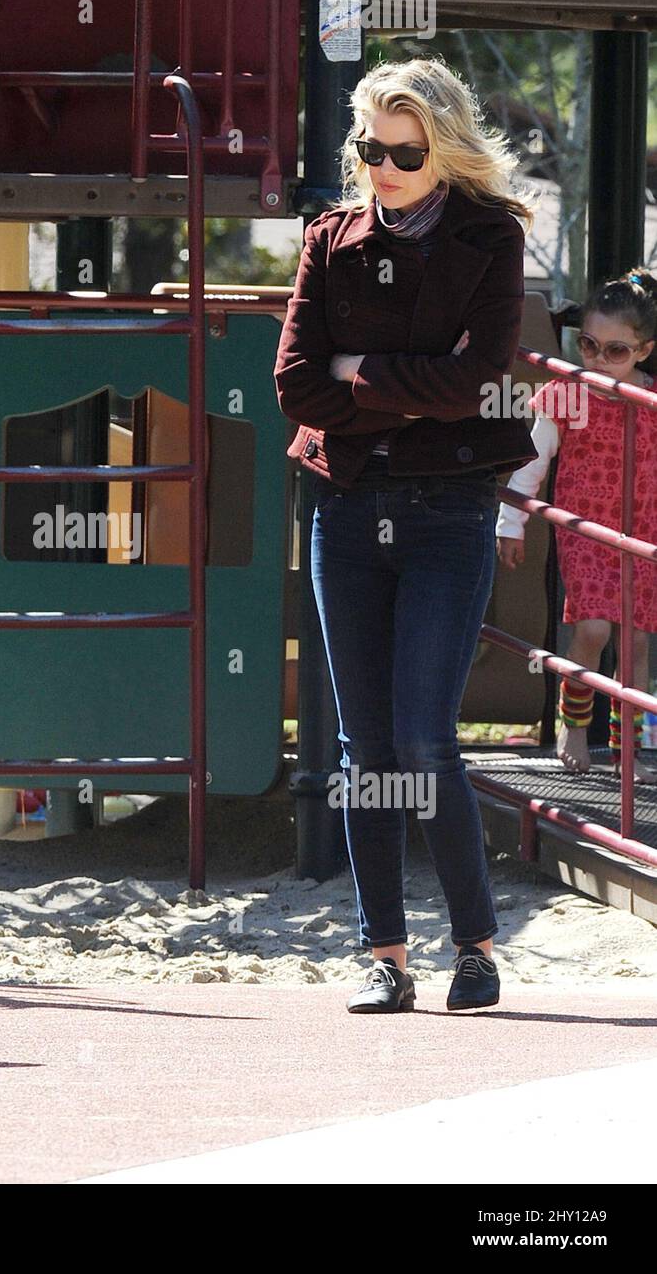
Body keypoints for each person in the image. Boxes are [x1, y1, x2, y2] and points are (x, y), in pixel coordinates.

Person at [274, 56, 538, 1015]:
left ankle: (474, 947)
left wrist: (363, 376)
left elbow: (478, 378)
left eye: (403, 151)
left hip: (449, 512)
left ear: (446, 151)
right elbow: (295, 385)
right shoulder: (328, 239)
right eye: (368, 148)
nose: (380, 166)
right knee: (363, 750)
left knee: (426, 741)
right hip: (344, 510)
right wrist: (407, 383)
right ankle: (384, 955)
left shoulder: (488, 236)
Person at [497, 269, 657, 781]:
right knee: (592, 629)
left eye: (616, 351)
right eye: (588, 345)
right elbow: (532, 460)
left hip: (642, 531)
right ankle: (573, 722)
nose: (597, 360)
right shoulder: (569, 393)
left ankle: (626, 748)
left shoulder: (652, 403)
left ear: (644, 351)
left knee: (633, 647)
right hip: (586, 528)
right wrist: (511, 521)